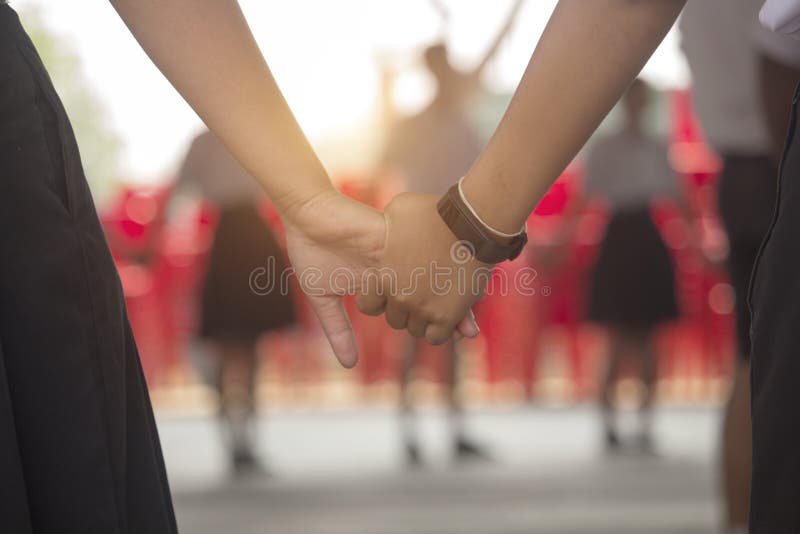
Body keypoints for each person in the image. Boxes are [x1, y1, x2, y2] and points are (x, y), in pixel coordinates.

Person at [380, 1, 523, 464]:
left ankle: (455, 429)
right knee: (412, 335)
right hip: (422, 232)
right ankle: (408, 430)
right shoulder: (410, 125)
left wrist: (515, 10)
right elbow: (386, 177)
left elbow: (493, 48)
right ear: (430, 70)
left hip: (460, 234)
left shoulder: (458, 109)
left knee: (458, 331)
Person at [681, 3, 800, 531]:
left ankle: (739, 520)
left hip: (739, 169)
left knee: (751, 358)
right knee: (765, 359)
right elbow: (775, 60)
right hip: (776, 160)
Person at [175, 130, 297, 475]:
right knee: (233, 350)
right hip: (235, 241)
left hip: (246, 241)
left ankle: (245, 440)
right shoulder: (206, 141)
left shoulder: (240, 135)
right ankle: (235, 441)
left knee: (247, 349)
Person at [579, 79, 683, 453]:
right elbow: (583, 198)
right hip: (618, 237)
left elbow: (678, 199)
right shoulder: (605, 148)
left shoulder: (658, 148)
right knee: (616, 337)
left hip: (647, 237)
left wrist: (698, 243)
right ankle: (609, 425)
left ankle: (644, 424)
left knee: (650, 338)